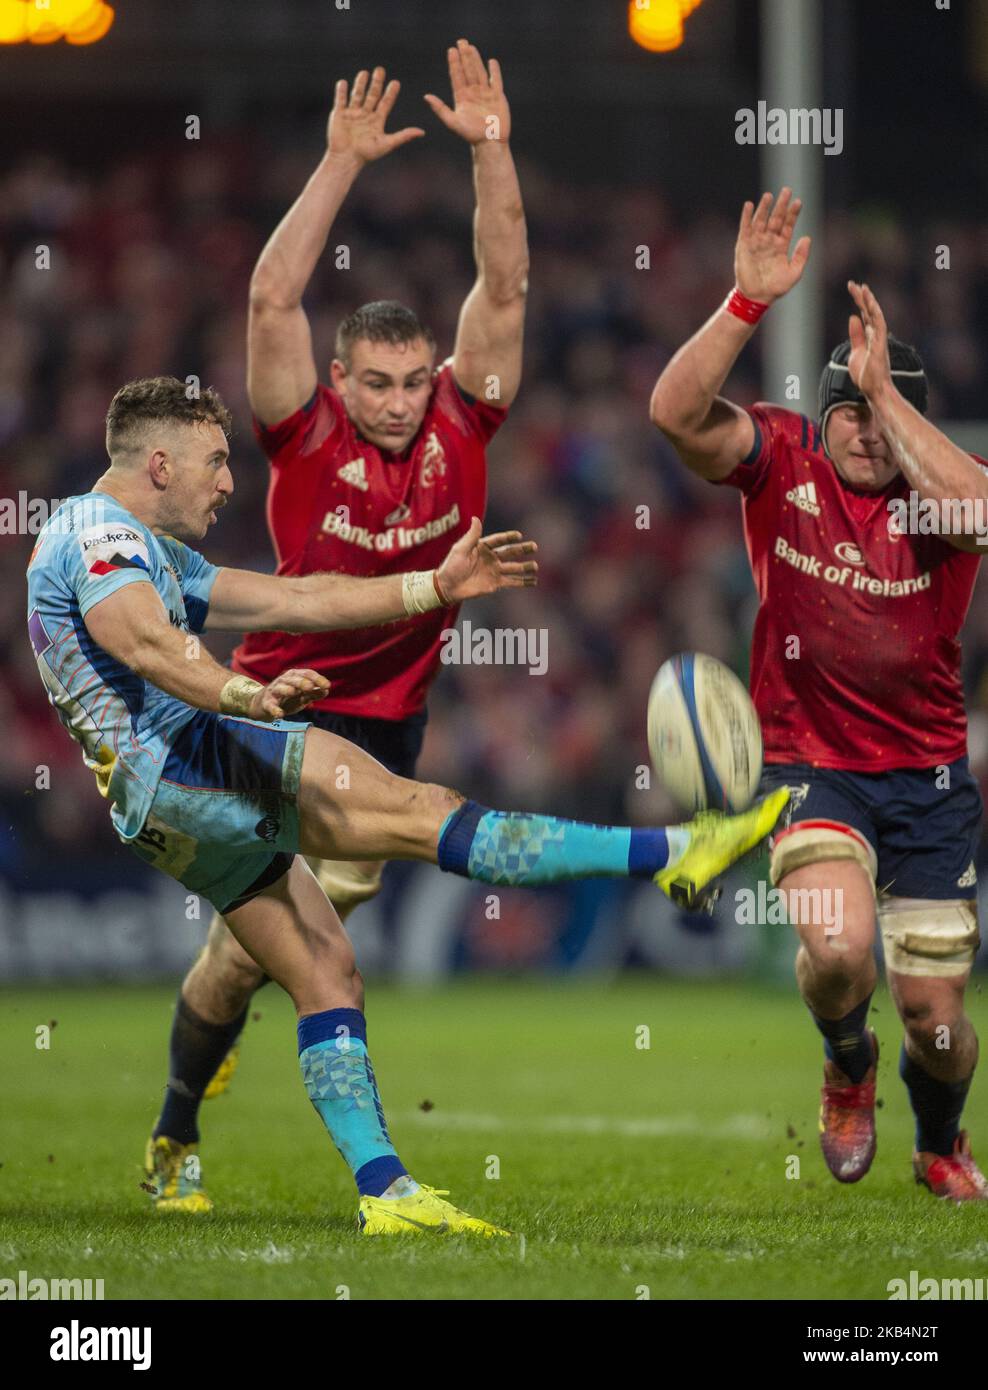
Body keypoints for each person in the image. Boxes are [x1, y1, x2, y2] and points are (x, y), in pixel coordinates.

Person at [26, 376, 789, 1235]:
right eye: (215, 462)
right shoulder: (98, 533)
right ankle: (672, 853)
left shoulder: (144, 550)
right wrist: (245, 694)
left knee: (327, 971)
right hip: (190, 759)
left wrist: (433, 585)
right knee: (422, 811)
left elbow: (295, 598)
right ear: (160, 464)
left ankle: (372, 1190)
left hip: (158, 812)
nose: (229, 482)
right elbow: (141, 641)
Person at [149, 43, 533, 1207]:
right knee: (287, 960)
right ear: (338, 376)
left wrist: (492, 151)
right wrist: (338, 164)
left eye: (413, 381)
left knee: (241, 961)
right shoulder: (301, 431)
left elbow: (505, 287)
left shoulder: (465, 421)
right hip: (275, 712)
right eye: (376, 382)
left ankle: (187, 1101)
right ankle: (178, 1138)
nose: (399, 403)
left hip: (388, 727)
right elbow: (270, 297)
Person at [650, 186, 988, 1202]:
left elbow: (978, 515)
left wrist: (890, 398)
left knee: (937, 1018)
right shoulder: (782, 460)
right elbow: (673, 414)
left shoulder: (942, 490)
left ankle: (939, 1142)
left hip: (928, 776)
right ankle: (847, 1062)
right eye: (850, 413)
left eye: (879, 417)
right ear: (824, 413)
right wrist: (744, 304)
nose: (864, 436)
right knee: (839, 953)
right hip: (808, 764)